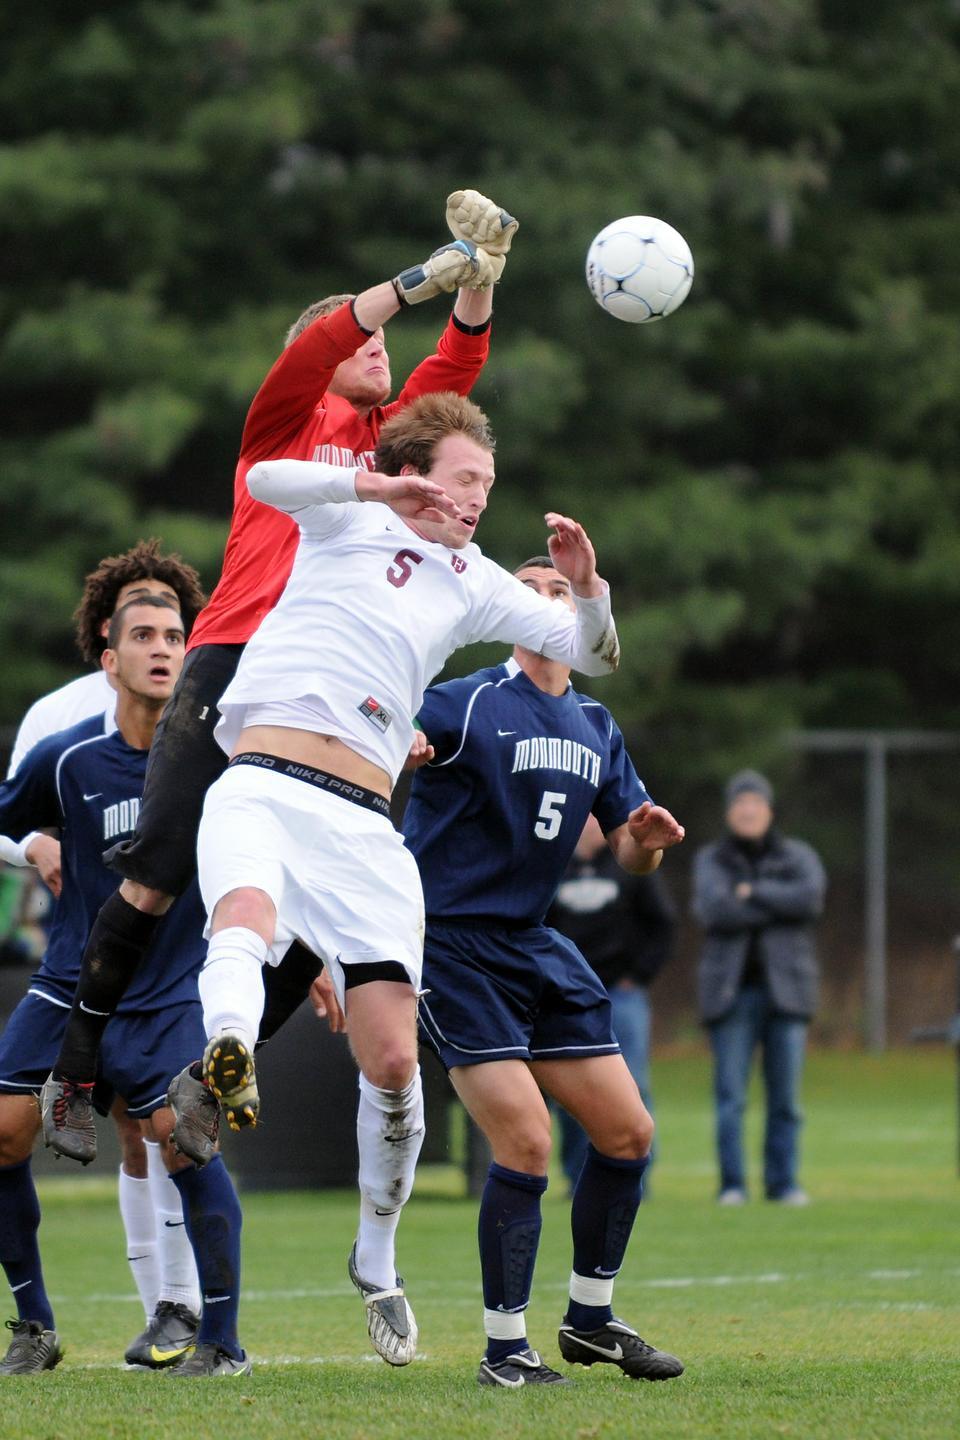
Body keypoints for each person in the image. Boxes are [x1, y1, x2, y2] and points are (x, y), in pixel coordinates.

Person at [42, 188, 517, 1162]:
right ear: (328, 352)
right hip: (234, 655)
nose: (382, 356)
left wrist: (481, 289)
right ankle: (76, 1067)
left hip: (332, 689)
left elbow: (456, 372)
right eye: (366, 342)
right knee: (159, 871)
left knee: (321, 910)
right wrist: (424, 277)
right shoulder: (288, 421)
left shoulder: (395, 453)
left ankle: (220, 1064)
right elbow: (321, 345)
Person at [164, 392, 620, 1369]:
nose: (476, 500)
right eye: (465, 479)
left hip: (364, 833)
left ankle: (375, 1260)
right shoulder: (348, 511)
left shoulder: (473, 579)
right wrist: (367, 479)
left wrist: (588, 592)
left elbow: (593, 652)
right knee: (242, 917)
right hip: (261, 784)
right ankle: (227, 1055)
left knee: (395, 1065)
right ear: (418, 469)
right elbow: (262, 479)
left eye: (487, 487)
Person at [400, 555, 685, 1388]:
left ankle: (591, 1320)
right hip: (453, 945)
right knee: (524, 1141)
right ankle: (503, 1348)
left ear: (583, 615)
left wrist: (648, 840)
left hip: (534, 943)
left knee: (629, 1133)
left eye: (560, 590)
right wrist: (399, 744)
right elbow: (375, 736)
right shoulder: (463, 702)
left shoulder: (595, 724)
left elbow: (631, 854)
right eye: (528, 590)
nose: (547, 601)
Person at [0, 597, 248, 1377]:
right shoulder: (68, 759)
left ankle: (222, 1343)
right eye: (142, 636)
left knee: (183, 1139)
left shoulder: (221, 760)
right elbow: (8, 819)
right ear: (109, 661)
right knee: (3, 1132)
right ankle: (34, 1327)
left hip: (167, 988)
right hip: (69, 980)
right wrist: (38, 841)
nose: (163, 649)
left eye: (176, 636)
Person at [691, 769, 827, 1206]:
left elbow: (809, 900)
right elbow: (716, 910)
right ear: (730, 811)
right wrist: (773, 903)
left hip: (787, 993)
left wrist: (752, 892)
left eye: (756, 803)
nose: (748, 811)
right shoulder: (712, 859)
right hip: (731, 995)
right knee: (731, 1097)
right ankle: (732, 1185)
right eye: (740, 803)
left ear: (769, 810)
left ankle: (782, 1182)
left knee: (785, 1100)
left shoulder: (797, 855)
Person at [547, 812, 678, 1189]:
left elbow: (663, 923)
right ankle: (578, 1179)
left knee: (632, 1083)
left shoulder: (629, 868)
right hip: (567, 994)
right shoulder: (556, 866)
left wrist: (636, 976)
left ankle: (637, 1178)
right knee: (572, 1089)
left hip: (620, 994)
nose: (587, 822)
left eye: (593, 815)